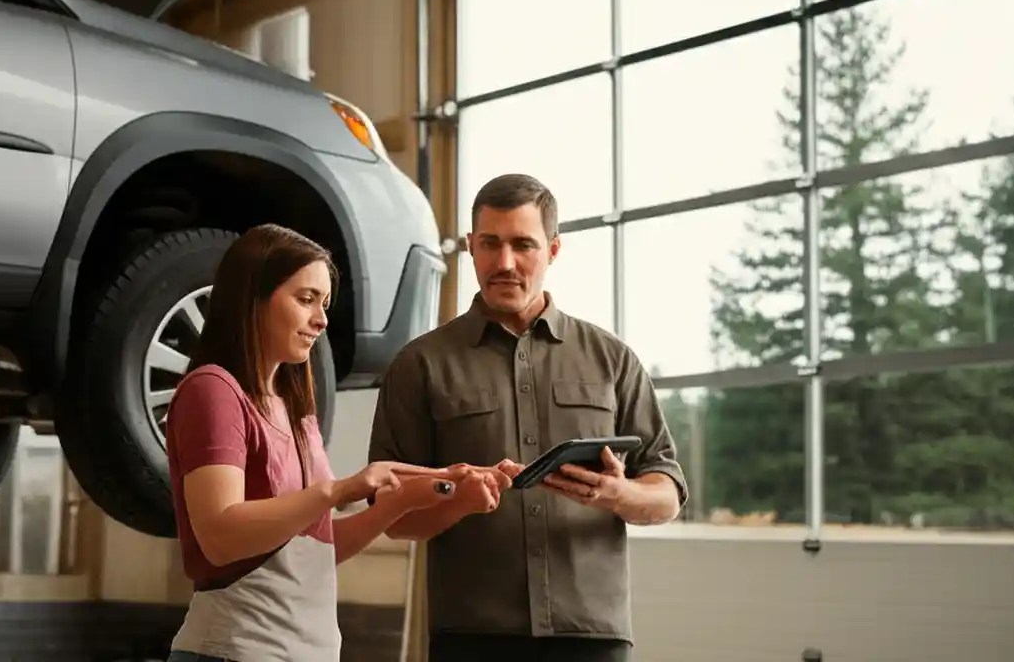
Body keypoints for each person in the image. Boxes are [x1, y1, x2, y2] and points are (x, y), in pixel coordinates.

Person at [367, 174, 688, 662]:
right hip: (471, 635)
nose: (505, 263)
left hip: (592, 635)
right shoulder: (420, 365)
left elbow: (667, 496)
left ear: (553, 250)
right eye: (490, 244)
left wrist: (617, 494)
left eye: (524, 245)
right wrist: (458, 500)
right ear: (470, 247)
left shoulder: (612, 360)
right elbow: (390, 517)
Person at [163, 223, 469, 662]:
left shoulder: (295, 410)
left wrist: (399, 503)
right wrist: (339, 490)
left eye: (324, 303)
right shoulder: (212, 390)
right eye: (306, 299)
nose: (322, 319)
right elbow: (220, 537)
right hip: (233, 651)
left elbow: (312, 551)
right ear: (252, 296)